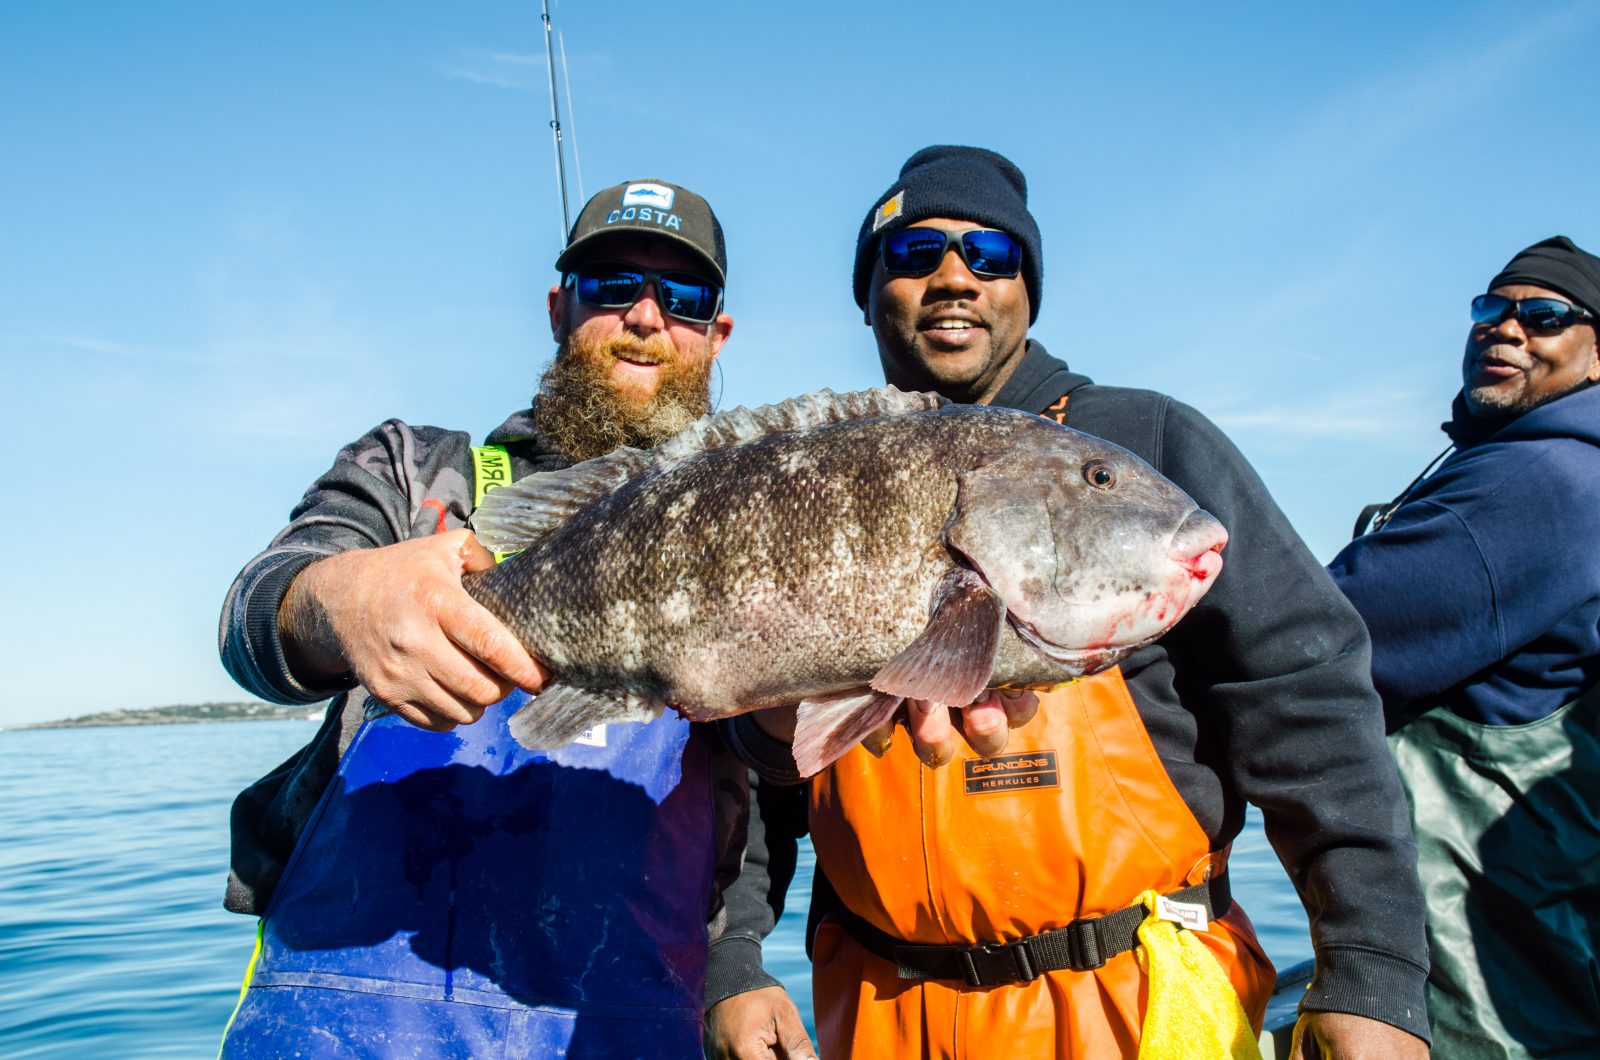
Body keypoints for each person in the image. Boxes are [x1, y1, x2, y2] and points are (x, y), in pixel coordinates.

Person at [727, 145, 1432, 1058]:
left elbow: (1308, 696)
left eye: (990, 255)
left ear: (1028, 288)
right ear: (870, 292)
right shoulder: (804, 481)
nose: (953, 278)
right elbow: (746, 766)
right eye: (914, 255)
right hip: (876, 1011)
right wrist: (735, 959)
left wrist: (1373, 970)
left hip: (1136, 1010)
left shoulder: (1145, 444)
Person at [216, 179, 813, 1059]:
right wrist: (338, 597)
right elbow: (255, 616)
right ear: (558, 308)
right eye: (612, 285)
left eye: (681, 298)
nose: (646, 316)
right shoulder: (417, 473)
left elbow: (753, 793)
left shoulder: (761, 520)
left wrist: (734, 965)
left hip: (623, 1024)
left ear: (715, 334)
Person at [1328, 236, 1600, 1059]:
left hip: (1473, 977)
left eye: (1545, 316)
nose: (1506, 329)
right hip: (1544, 937)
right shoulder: (1529, 468)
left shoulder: (1539, 485)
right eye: (1491, 309)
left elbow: (1318, 637)